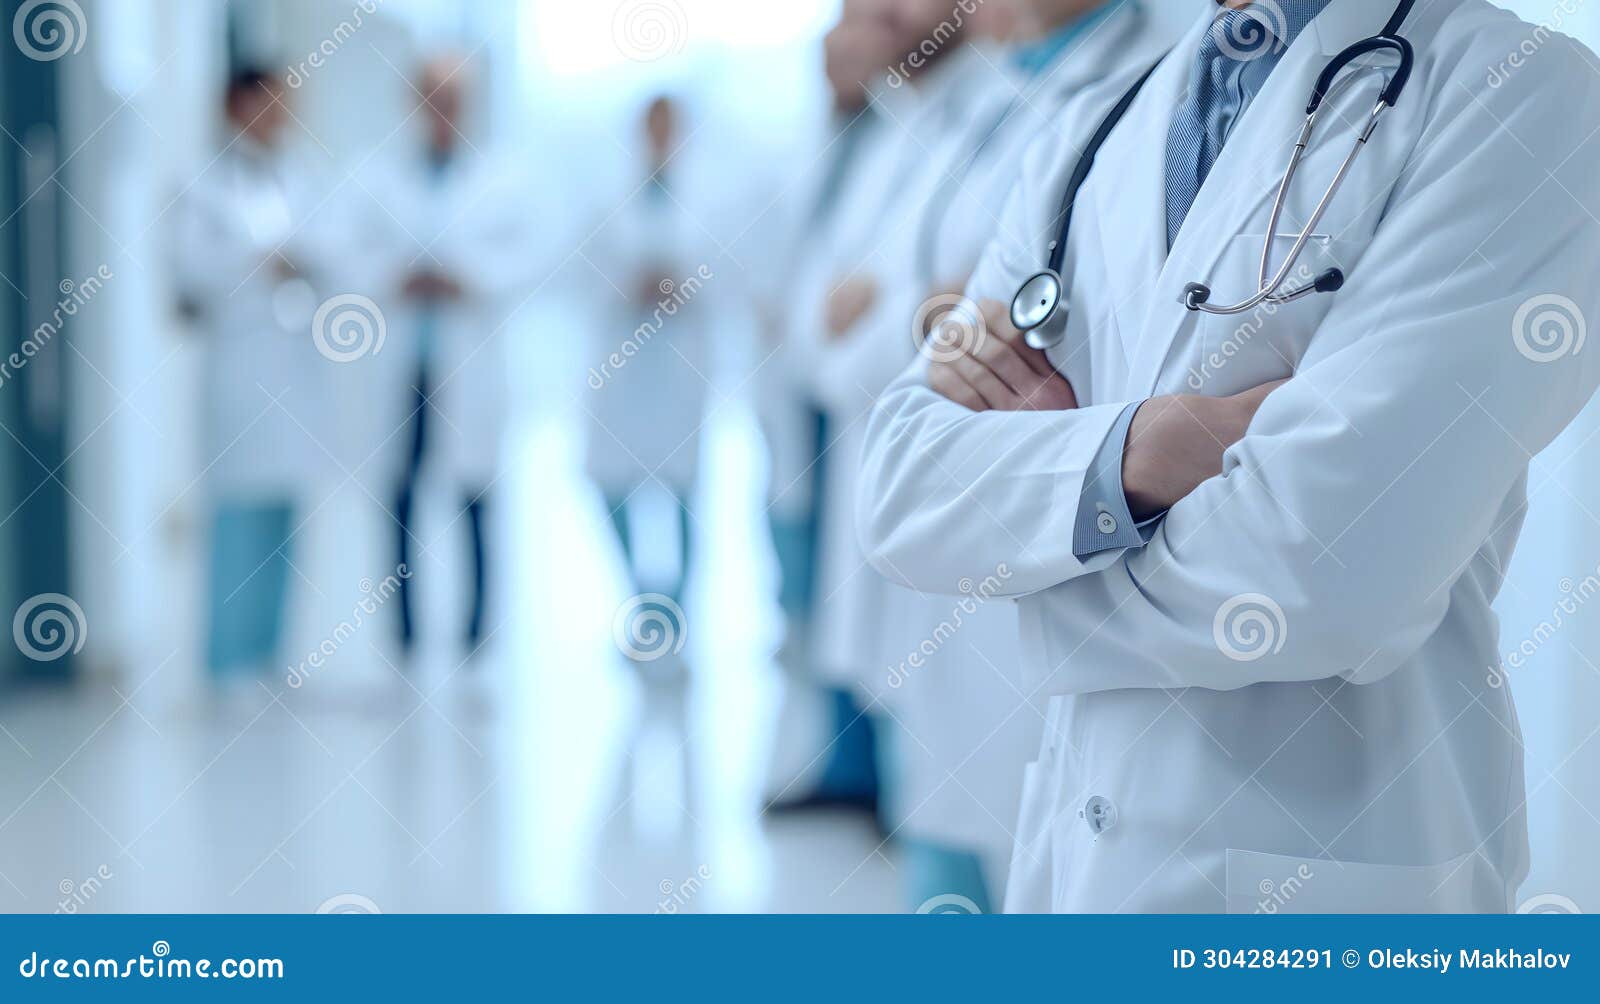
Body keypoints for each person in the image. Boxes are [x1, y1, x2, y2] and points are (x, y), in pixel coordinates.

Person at [857, 0, 1600, 912]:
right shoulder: (1093, 127)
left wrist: (1026, 563)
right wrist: (1147, 448)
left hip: (1325, 882)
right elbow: (898, 483)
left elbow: (1325, 575)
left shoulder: (1519, 88)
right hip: (1075, 861)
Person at [831, 0, 1168, 914]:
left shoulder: (1148, 74)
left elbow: (1000, 318)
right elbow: (899, 317)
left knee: (1032, 855)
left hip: (1053, 520)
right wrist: (929, 311)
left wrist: (926, 311)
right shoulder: (984, 94)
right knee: (947, 836)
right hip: (954, 506)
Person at [371, 55, 539, 661]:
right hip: (405, 364)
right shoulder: (384, 178)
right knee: (401, 497)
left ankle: (475, 635)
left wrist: (468, 279)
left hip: (466, 358)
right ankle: (406, 634)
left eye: (451, 99)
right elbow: (352, 252)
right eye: (430, 98)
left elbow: (527, 256)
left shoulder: (499, 178)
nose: (441, 111)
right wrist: (396, 278)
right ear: (414, 106)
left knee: (474, 498)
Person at [173, 66, 337, 679]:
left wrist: (300, 262)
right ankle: (226, 660)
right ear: (237, 103)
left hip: (294, 367)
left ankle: (270, 655)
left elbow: (339, 249)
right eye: (269, 101)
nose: (281, 114)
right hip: (240, 364)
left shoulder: (303, 177)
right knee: (237, 511)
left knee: (284, 510)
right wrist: (256, 264)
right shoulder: (202, 183)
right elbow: (189, 273)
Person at [583, 95, 710, 661]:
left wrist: (685, 284)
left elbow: (732, 268)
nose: (660, 135)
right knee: (612, 484)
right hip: (624, 360)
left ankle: (675, 612)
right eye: (652, 124)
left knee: (686, 492)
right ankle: (640, 598)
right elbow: (579, 265)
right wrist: (627, 285)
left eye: (669, 125)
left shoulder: (707, 199)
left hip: (680, 361)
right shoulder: (609, 196)